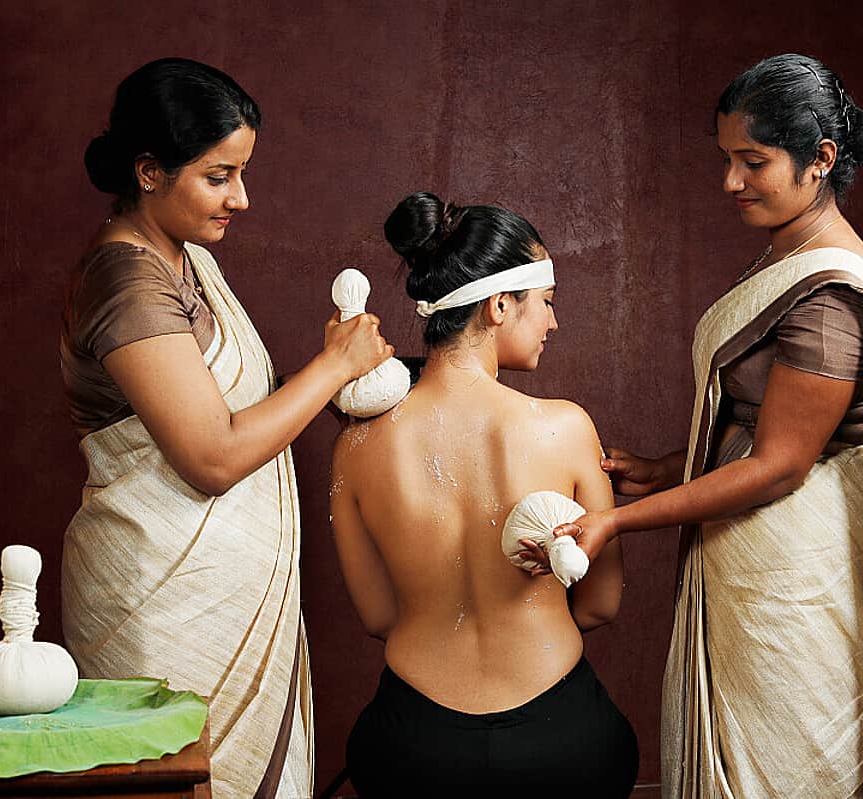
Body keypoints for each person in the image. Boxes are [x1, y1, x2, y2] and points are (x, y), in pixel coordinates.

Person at [550, 54, 863, 797]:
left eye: (752, 161)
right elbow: (764, 422)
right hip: (757, 548)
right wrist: (667, 466)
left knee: (787, 753)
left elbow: (782, 464)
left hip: (794, 562)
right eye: (727, 159)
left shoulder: (829, 290)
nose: (730, 181)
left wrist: (620, 522)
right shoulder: (788, 251)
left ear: (820, 160)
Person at [59, 58, 392, 799]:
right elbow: (210, 455)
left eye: (242, 173)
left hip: (228, 594)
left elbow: (241, 414)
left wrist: (344, 383)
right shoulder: (126, 277)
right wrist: (333, 366)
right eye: (219, 176)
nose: (241, 197)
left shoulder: (186, 261)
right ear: (149, 170)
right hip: (160, 599)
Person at [331, 192, 638, 798]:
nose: (553, 322)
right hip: (562, 743)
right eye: (546, 303)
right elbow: (601, 603)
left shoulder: (358, 447)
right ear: (500, 305)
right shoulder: (566, 427)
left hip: (412, 746)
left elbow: (377, 617)